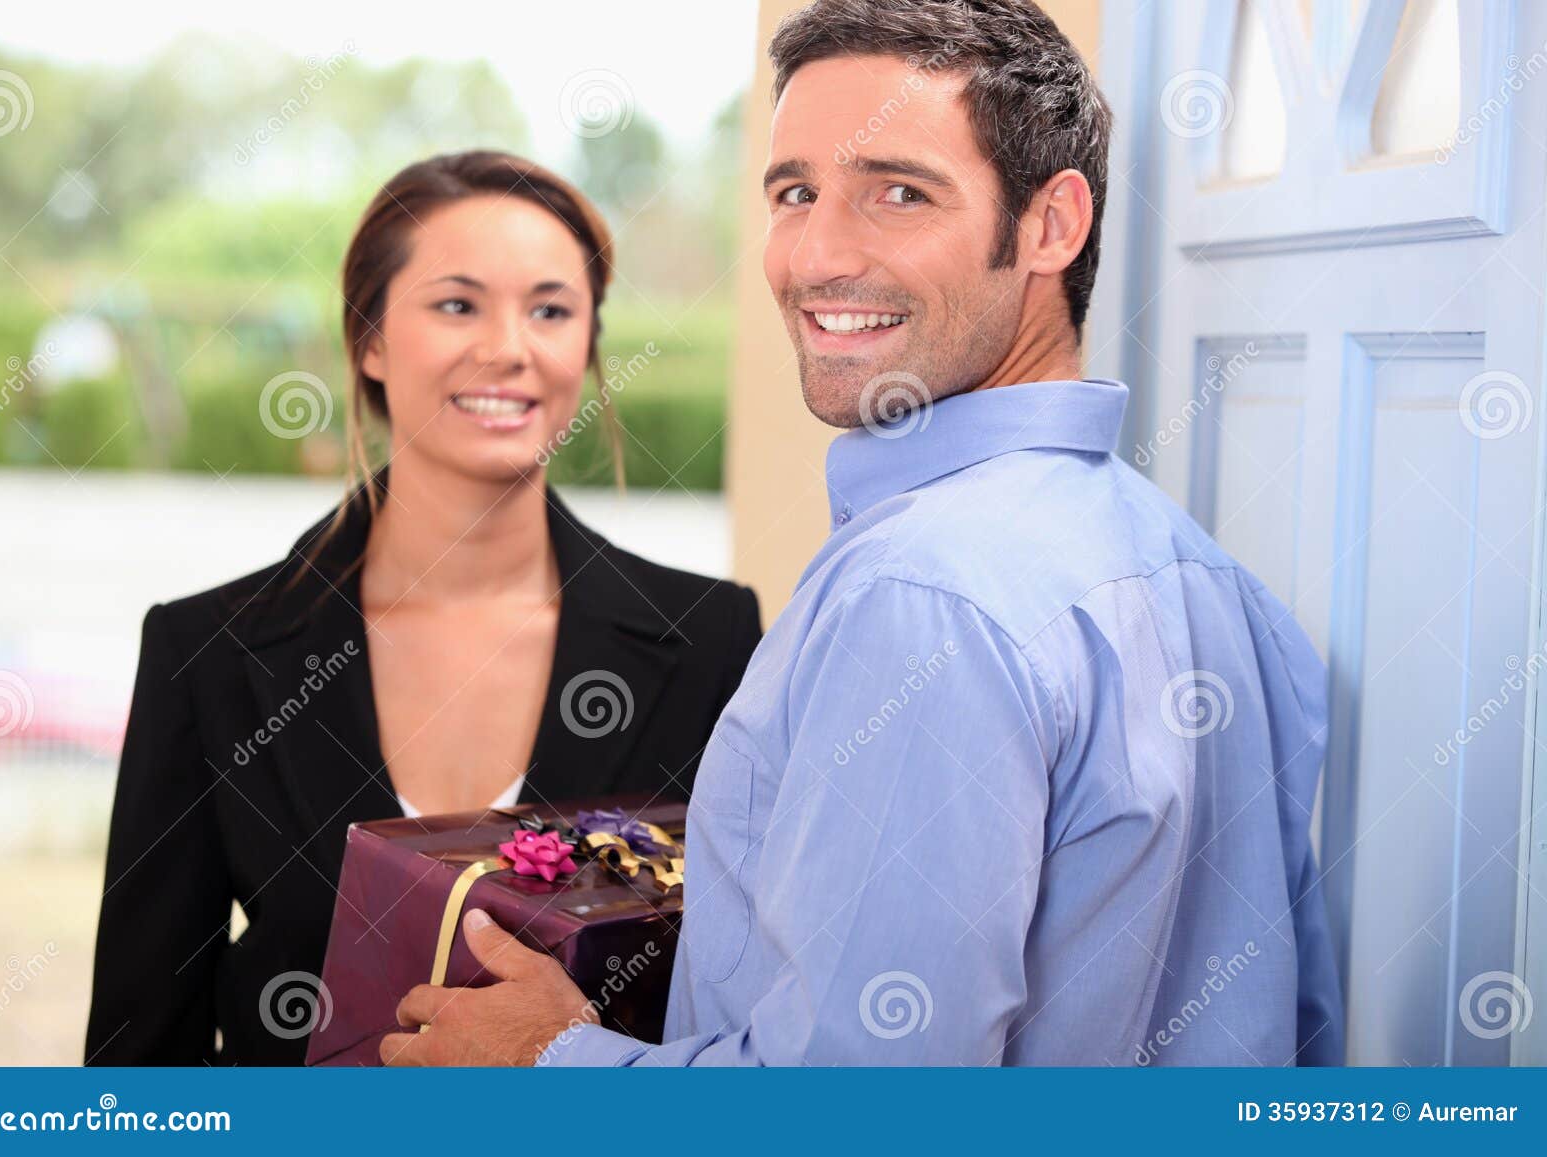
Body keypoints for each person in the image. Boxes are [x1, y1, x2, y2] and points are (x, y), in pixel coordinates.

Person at [377, 0, 1344, 1067]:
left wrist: (549, 1059)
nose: (816, 253)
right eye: (794, 192)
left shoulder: (919, 595)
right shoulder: (1204, 574)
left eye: (897, 191)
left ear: (1050, 224)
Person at [85, 151, 761, 1066]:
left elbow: (741, 1008)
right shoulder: (210, 651)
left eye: (552, 310)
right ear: (368, 338)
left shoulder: (711, 639)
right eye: (457, 304)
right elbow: (138, 1060)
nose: (510, 347)